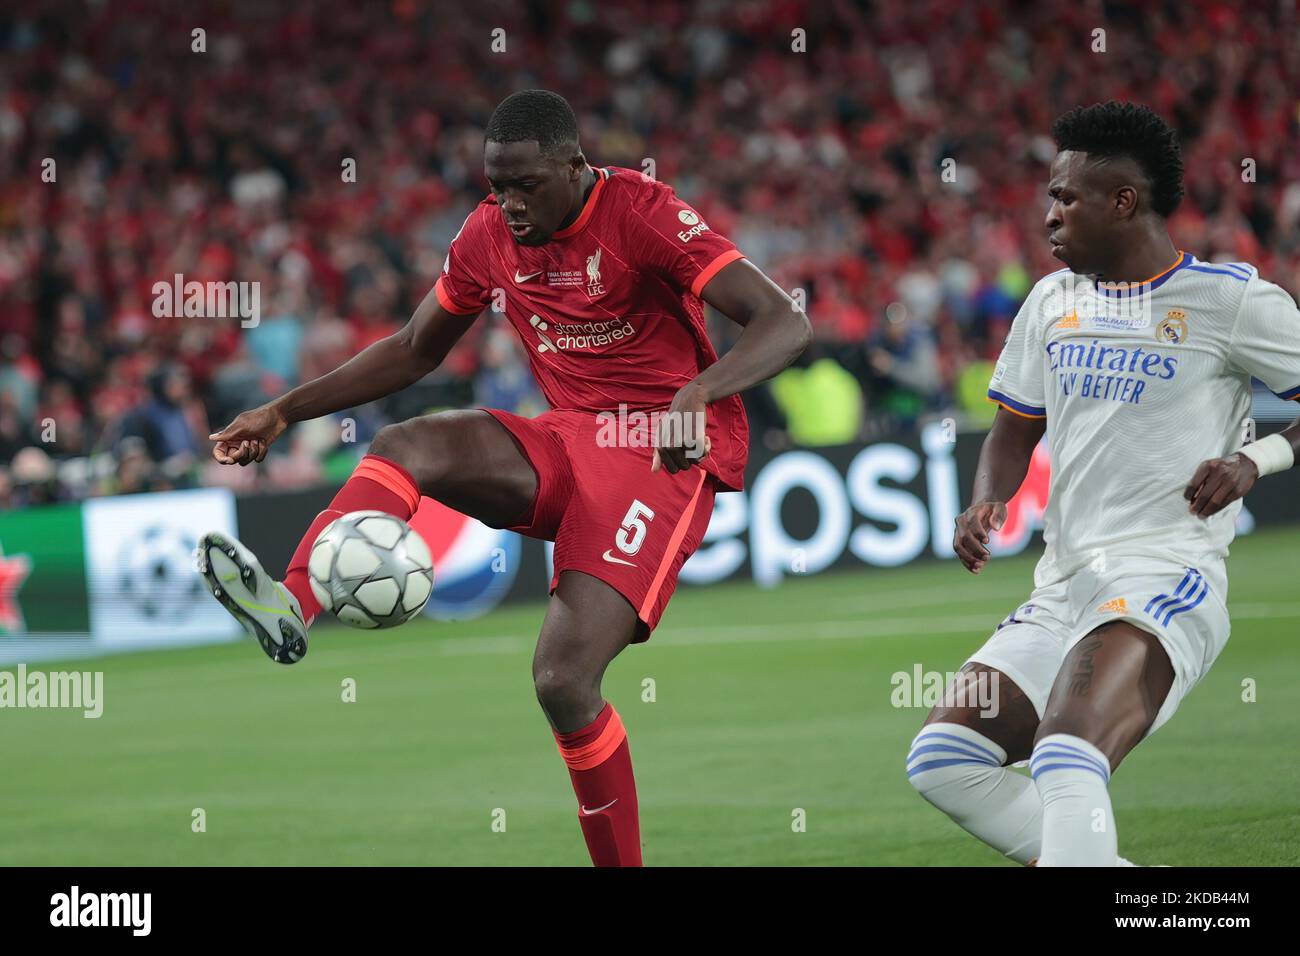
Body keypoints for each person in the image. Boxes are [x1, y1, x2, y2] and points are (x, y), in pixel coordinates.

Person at [198, 89, 811, 867]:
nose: (510, 205)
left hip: (665, 450)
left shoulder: (643, 214)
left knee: (561, 680)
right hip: (567, 437)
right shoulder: (489, 234)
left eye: (526, 186)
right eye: (497, 188)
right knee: (407, 442)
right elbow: (417, 347)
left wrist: (698, 391)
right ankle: (295, 600)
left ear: (575, 168)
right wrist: (285, 410)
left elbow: (785, 320)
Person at [906, 102, 1300, 866]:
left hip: (1163, 573)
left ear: (1123, 202)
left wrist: (1259, 460)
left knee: (1065, 755)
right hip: (1063, 586)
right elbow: (1015, 428)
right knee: (942, 761)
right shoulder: (1052, 302)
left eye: (1065, 197)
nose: (1048, 215)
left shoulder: (1231, 300)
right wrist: (988, 497)